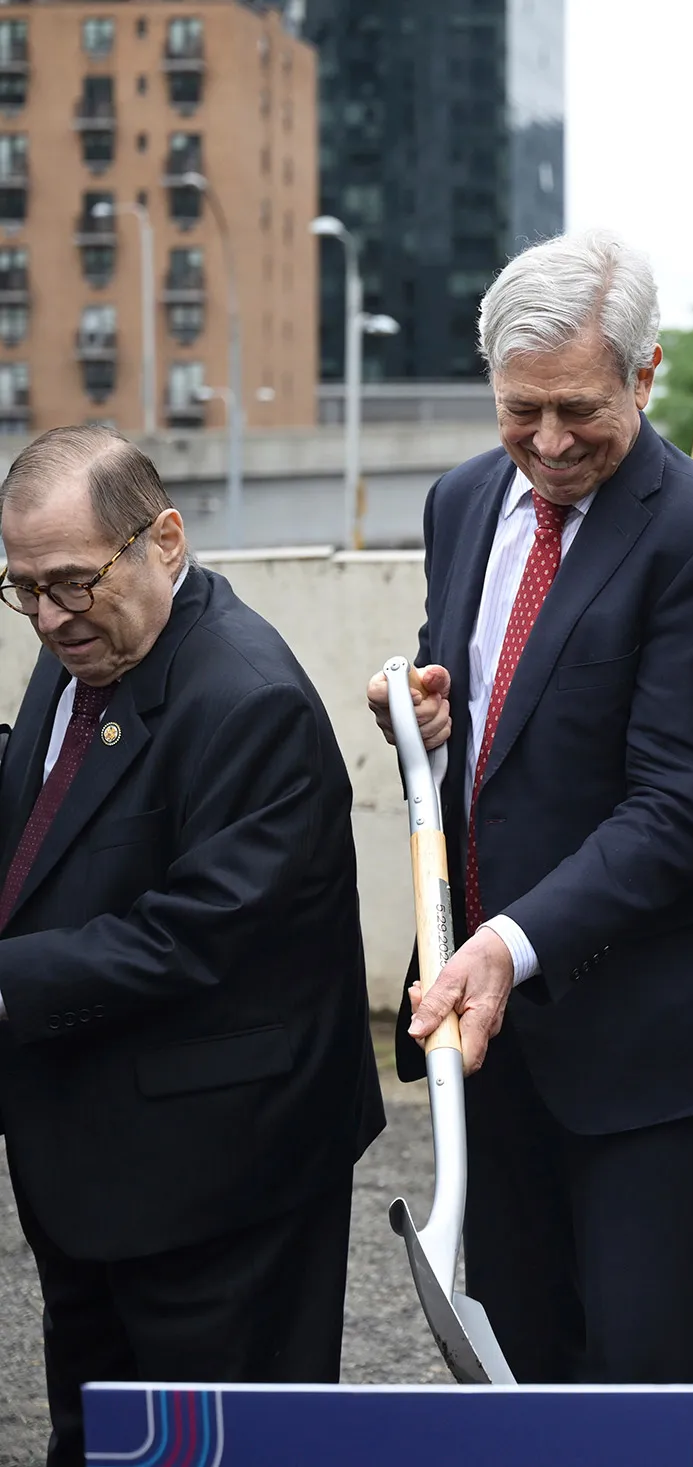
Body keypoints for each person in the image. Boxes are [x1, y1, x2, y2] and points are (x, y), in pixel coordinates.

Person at [365, 230, 693, 1383]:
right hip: (492, 1023)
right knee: (516, 1354)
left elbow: (680, 803)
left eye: (578, 410)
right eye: (521, 412)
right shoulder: (463, 501)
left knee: (640, 1370)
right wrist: (417, 716)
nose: (548, 446)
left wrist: (509, 945)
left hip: (655, 1030)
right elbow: (475, 703)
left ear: (646, 375)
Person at [0, 427, 383, 1465]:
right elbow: (45, 827)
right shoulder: (92, 639)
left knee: (221, 1446)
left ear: (164, 538)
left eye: (71, 581)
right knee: (102, 1438)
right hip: (98, 1164)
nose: (47, 616)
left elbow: (196, 933)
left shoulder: (244, 696)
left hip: (221, 1180)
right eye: (21, 588)